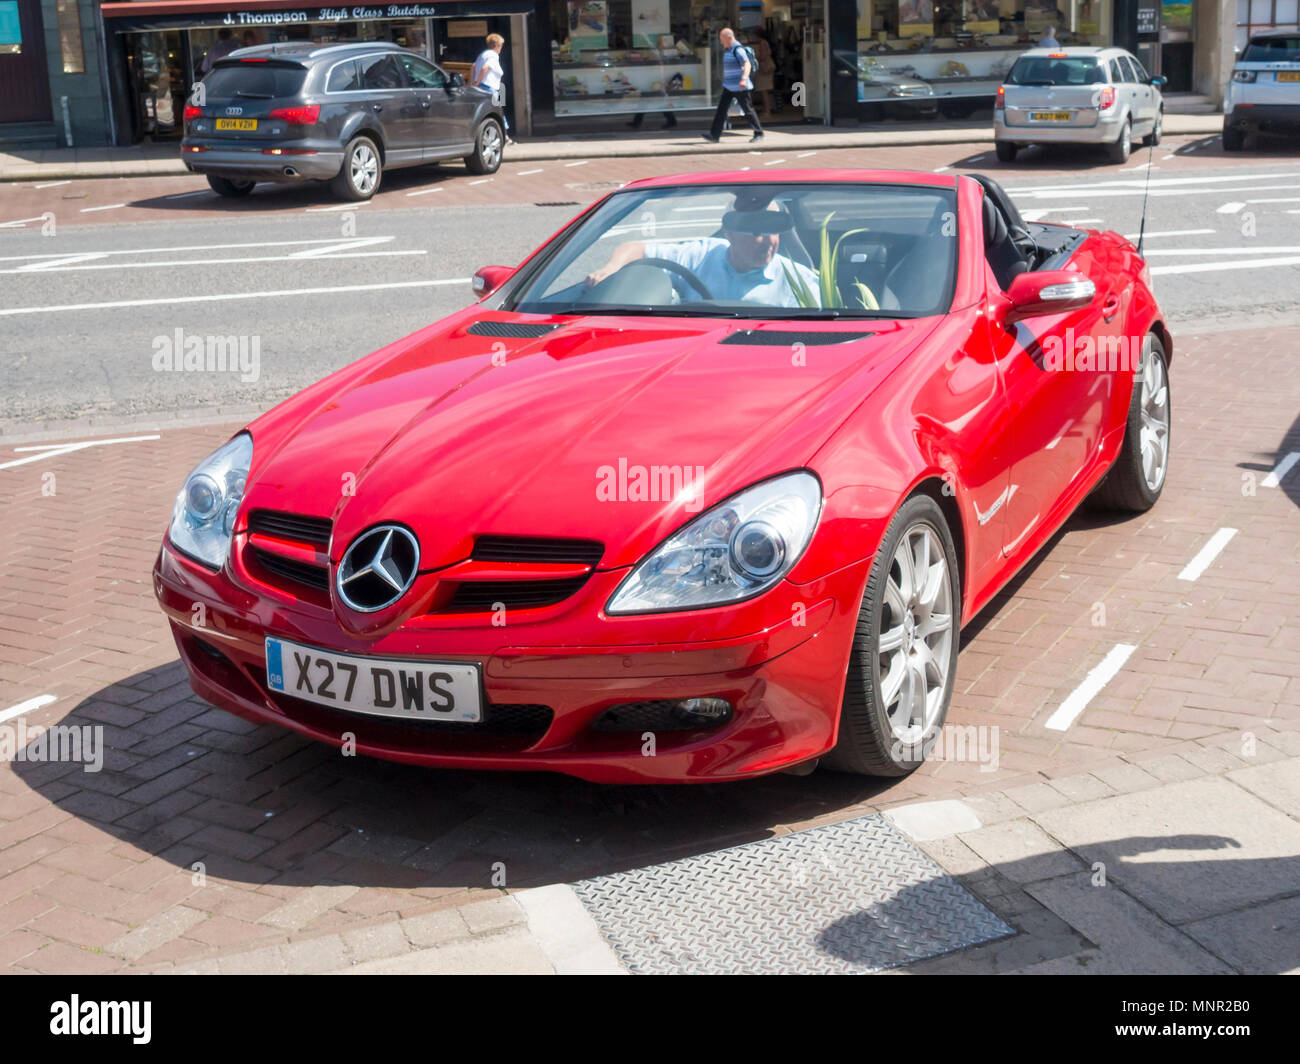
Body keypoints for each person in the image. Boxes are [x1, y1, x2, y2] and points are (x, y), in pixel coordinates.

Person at [583, 202, 819, 307]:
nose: (769, 242)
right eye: (757, 232)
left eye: (773, 232)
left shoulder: (800, 281)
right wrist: (610, 269)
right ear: (729, 233)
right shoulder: (701, 254)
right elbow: (636, 248)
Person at [703, 27, 764, 143]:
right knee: (721, 110)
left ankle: (759, 133)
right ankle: (714, 135)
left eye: (722, 39)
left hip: (740, 86)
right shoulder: (728, 50)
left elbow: (747, 64)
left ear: (729, 38)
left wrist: (744, 79)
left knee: (748, 110)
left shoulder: (738, 50)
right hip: (729, 86)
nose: (721, 42)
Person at [471, 33, 515, 144]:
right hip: (489, 88)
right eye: (501, 46)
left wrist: (473, 83)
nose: (501, 48)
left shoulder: (482, 55)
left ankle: (500, 136)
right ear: (497, 45)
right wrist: (477, 82)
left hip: (483, 87)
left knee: (487, 113)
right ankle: (505, 137)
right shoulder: (493, 55)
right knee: (497, 112)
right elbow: (485, 68)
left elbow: (473, 67)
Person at [752, 31, 775, 117]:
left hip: (764, 68)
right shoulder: (764, 42)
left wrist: (755, 58)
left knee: (763, 90)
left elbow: (763, 57)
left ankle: (767, 110)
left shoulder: (762, 43)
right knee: (764, 90)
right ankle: (766, 109)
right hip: (766, 67)